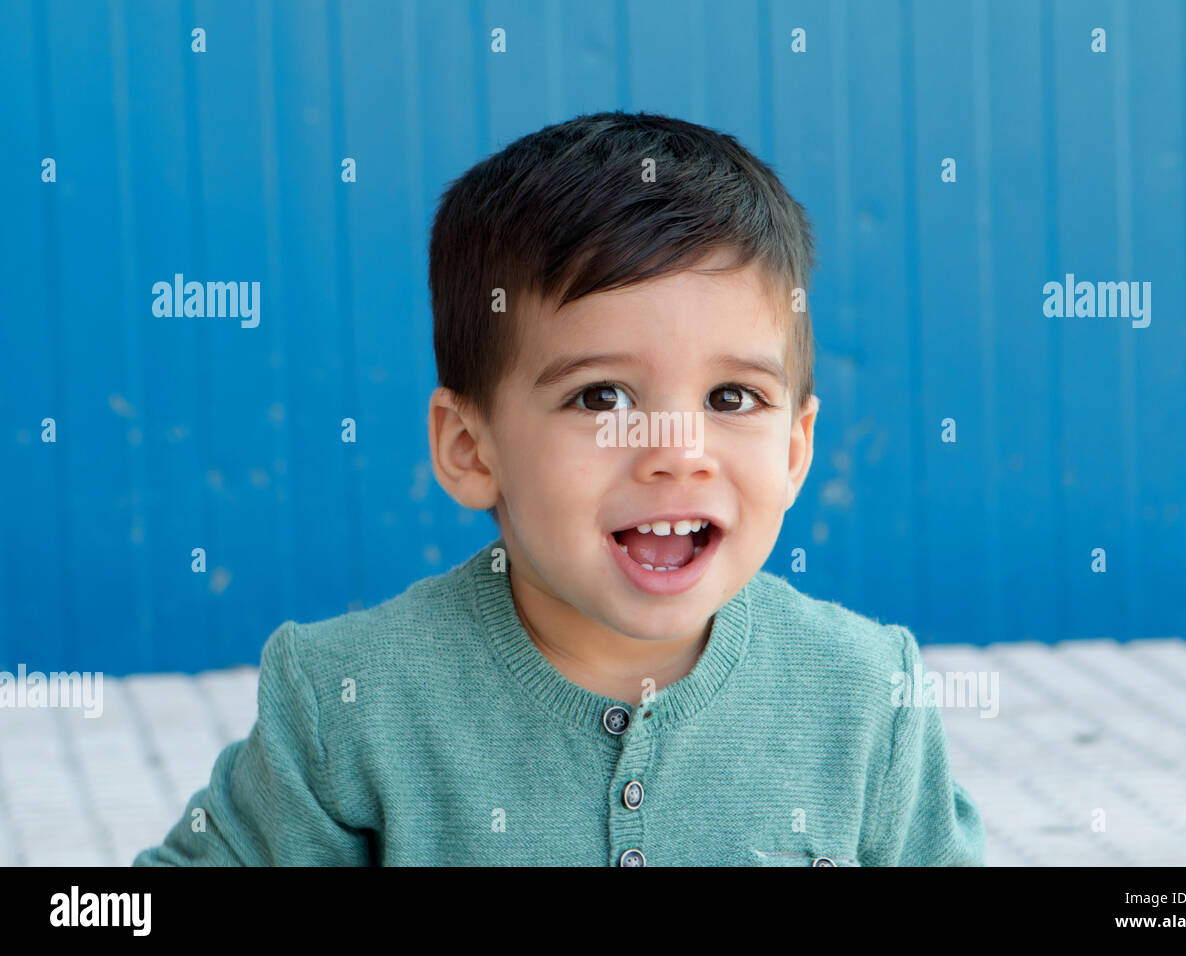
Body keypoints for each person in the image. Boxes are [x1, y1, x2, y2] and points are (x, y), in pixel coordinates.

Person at [134, 111, 983, 866]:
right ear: (472, 449)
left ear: (797, 448)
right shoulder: (351, 702)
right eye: (601, 397)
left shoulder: (869, 694)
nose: (676, 453)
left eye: (732, 399)